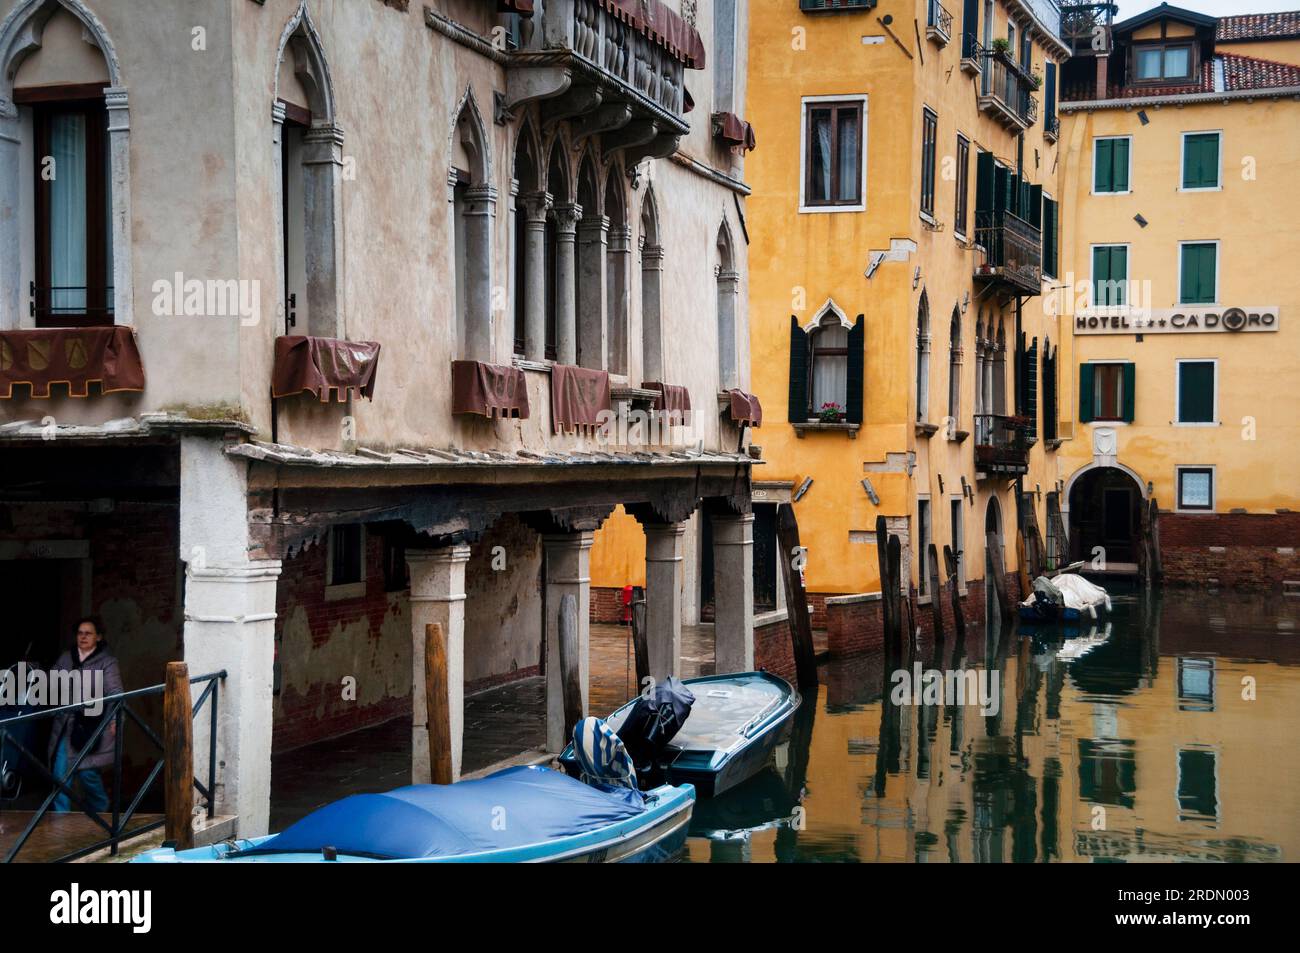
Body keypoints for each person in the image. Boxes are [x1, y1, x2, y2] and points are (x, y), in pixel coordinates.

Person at [47, 617, 123, 814]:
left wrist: (116, 719)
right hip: (67, 726)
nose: (83, 637)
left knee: (88, 776)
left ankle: (99, 813)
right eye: (80, 633)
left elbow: (116, 693)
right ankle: (60, 822)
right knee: (60, 776)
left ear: (98, 637)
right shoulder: (66, 658)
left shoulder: (107, 662)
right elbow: (51, 683)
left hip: (93, 726)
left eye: (88, 633)